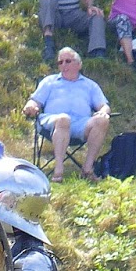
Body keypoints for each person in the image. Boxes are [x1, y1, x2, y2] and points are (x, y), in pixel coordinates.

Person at [23, 47, 111, 182]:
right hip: (52, 122)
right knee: (64, 119)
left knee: (102, 121)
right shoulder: (49, 81)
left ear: (79, 64)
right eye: (60, 62)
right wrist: (31, 106)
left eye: (68, 61)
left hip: (81, 123)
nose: (63, 65)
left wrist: (103, 112)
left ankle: (87, 169)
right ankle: (58, 171)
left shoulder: (90, 85)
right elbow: (35, 101)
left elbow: (104, 106)